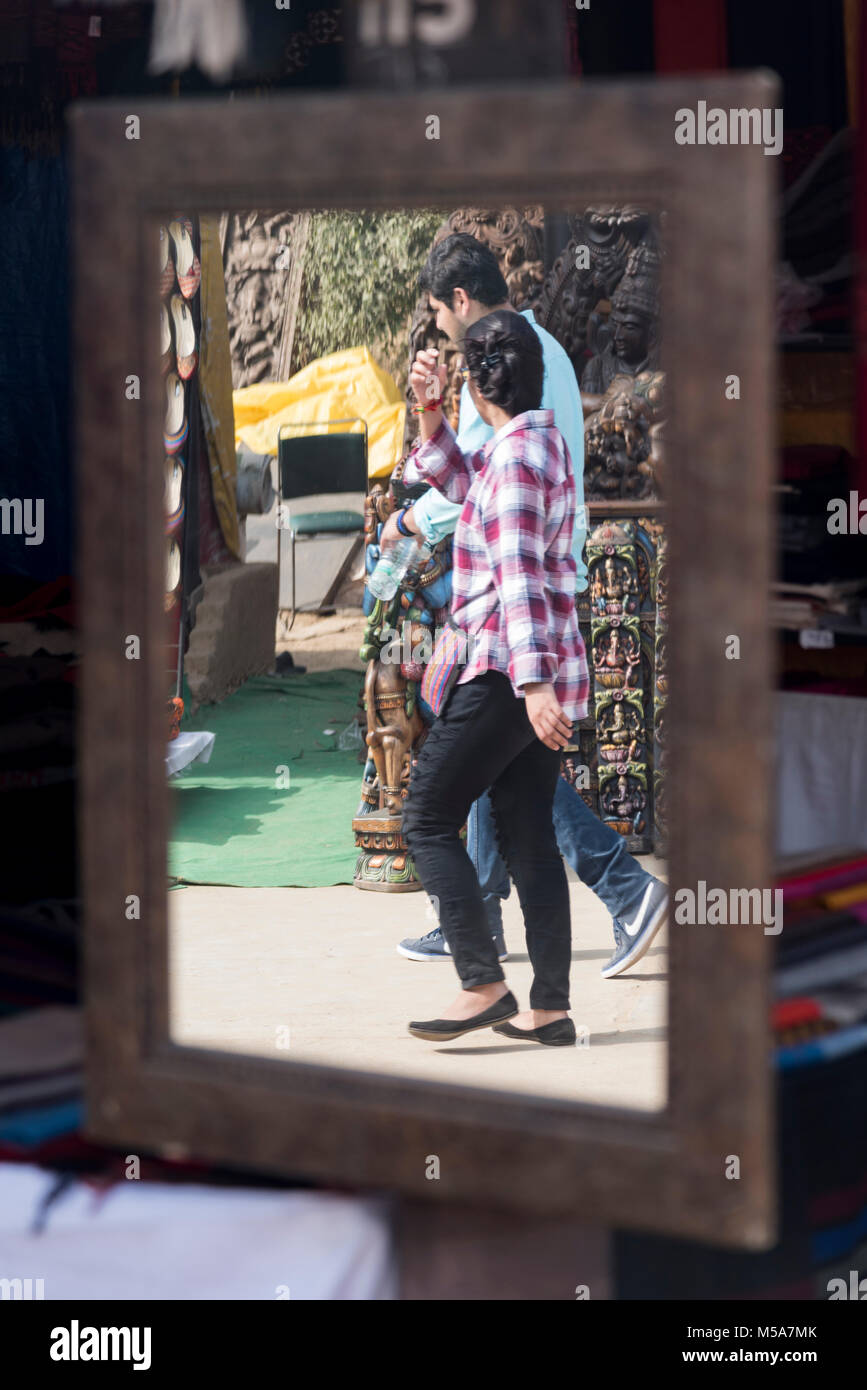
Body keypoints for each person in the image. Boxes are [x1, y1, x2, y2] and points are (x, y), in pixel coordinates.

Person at [388, 233, 666, 978]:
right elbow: (481, 479)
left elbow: (493, 503)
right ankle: (488, 911)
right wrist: (427, 416)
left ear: (458, 299)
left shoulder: (497, 358)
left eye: (438, 317)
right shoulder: (541, 349)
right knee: (498, 759)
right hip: (537, 591)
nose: (442, 337)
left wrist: (409, 522)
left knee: (481, 757)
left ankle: (617, 888)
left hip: (514, 607)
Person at [400, 309, 586, 1046]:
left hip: (508, 671)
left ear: (481, 387)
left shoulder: (511, 458)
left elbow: (515, 578)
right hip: (536, 669)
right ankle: (551, 1010)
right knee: (527, 836)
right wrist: (429, 417)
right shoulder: (538, 442)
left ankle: (480, 981)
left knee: (424, 817)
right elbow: (460, 484)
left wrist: (533, 687)